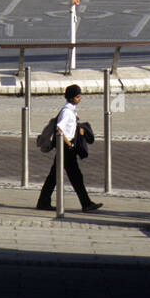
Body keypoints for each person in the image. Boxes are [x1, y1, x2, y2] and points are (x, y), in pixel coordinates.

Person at [36, 84, 103, 213]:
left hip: (65, 147)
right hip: (66, 148)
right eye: (78, 96)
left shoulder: (70, 110)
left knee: (55, 176)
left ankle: (43, 201)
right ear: (72, 98)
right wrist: (69, 144)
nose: (80, 98)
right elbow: (59, 129)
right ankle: (86, 203)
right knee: (75, 176)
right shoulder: (67, 112)